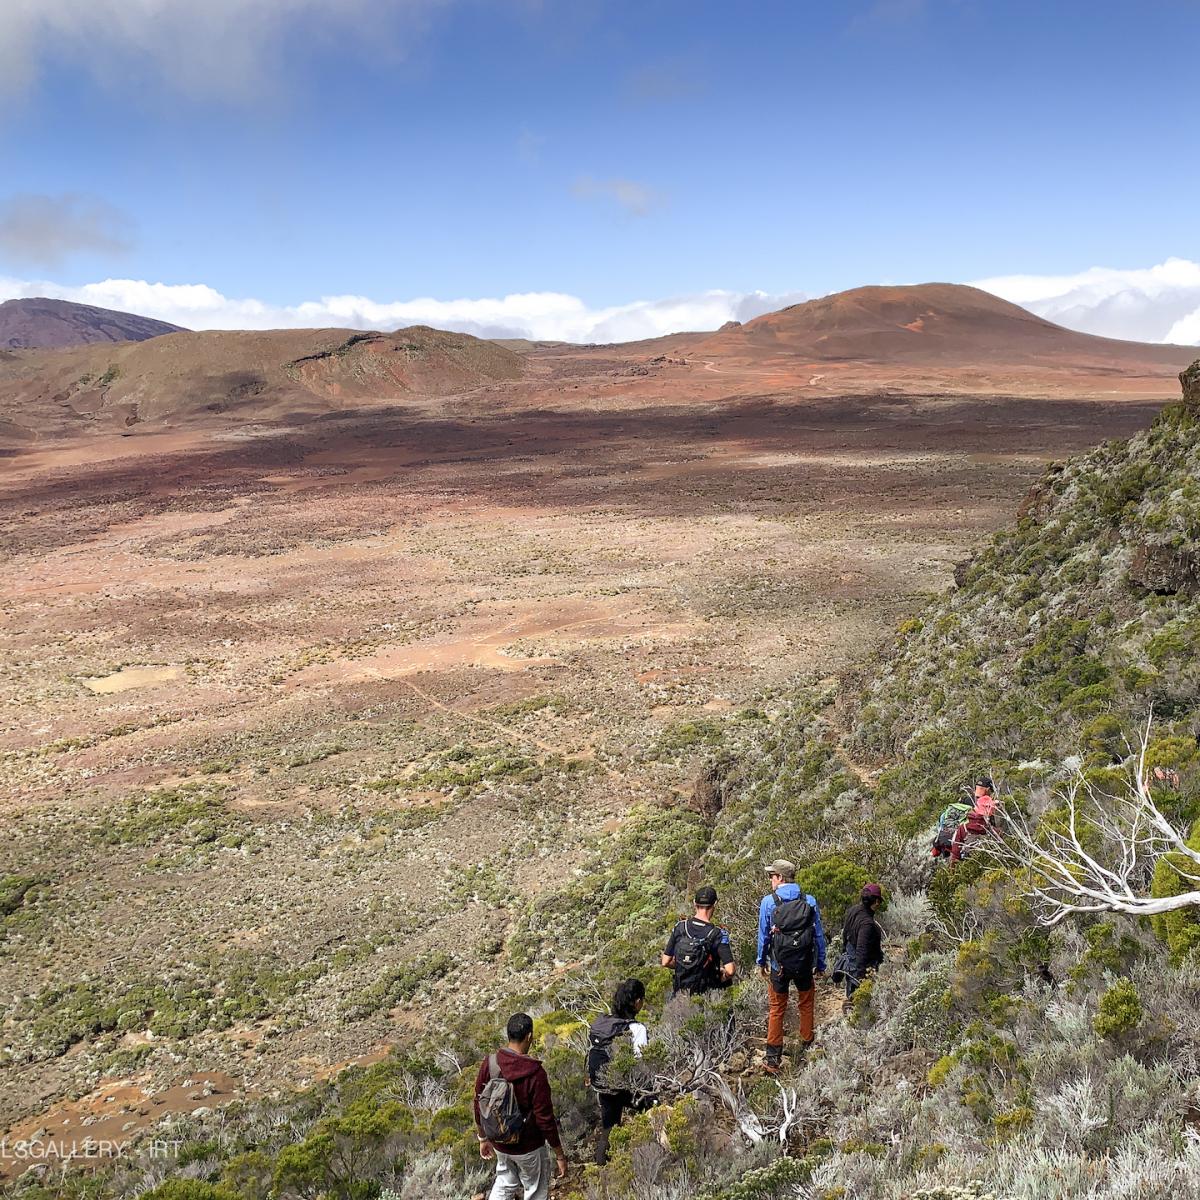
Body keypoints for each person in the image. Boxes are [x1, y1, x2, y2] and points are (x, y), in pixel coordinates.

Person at [474, 1012, 567, 1200]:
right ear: (529, 1036)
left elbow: (478, 1103)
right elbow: (545, 1119)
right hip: (529, 1147)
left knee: (504, 1183)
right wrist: (559, 1154)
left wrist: (483, 1137)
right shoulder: (535, 1073)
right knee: (535, 1191)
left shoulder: (490, 1063)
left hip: (499, 1142)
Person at [756, 859, 827, 1075]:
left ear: (780, 878)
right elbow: (818, 935)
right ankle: (807, 1045)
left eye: (772, 876)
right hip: (804, 962)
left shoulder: (769, 902)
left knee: (777, 1008)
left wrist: (761, 961)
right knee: (806, 1002)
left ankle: (773, 1058)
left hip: (779, 965)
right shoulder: (809, 900)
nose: (770, 880)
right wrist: (820, 962)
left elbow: (764, 937)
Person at [587, 978, 650, 1165]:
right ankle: (647, 1153)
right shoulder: (636, 1029)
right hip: (624, 1086)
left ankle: (601, 1168)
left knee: (609, 1127)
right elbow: (641, 1062)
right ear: (637, 1002)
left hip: (603, 1085)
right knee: (651, 1107)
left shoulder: (602, 1023)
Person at [661, 885, 736, 996]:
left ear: (694, 903)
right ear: (715, 904)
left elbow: (665, 961)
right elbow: (730, 970)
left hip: (680, 995)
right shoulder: (718, 934)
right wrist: (721, 976)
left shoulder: (680, 927)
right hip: (706, 995)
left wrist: (688, 966)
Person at [841, 883, 884, 1014]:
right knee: (859, 1006)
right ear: (876, 901)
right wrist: (861, 979)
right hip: (861, 968)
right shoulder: (867, 924)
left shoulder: (854, 910)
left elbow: (845, 934)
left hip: (850, 961)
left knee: (851, 998)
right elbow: (861, 949)